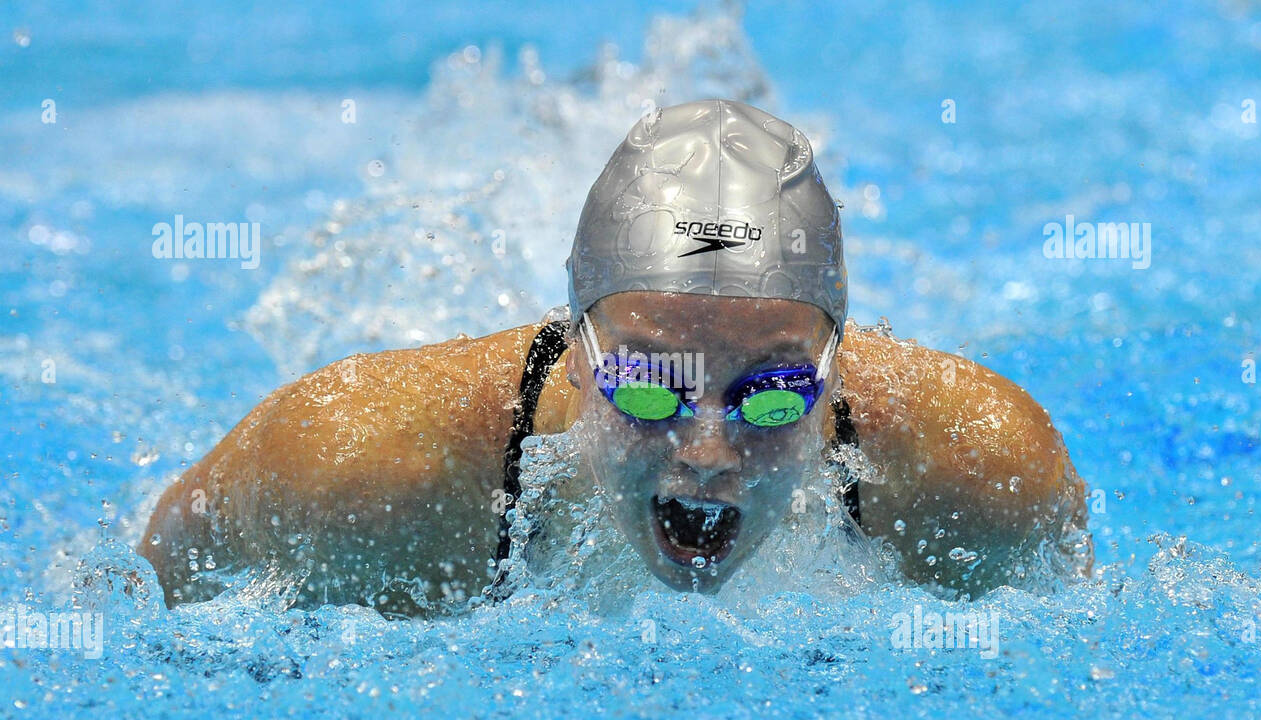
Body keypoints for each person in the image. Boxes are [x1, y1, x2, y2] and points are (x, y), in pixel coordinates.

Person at [139, 99, 1090, 615]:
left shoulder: (980, 472)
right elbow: (142, 599)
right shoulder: (361, 471)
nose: (708, 450)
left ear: (836, 368)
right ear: (578, 353)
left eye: (771, 396)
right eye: (649, 383)